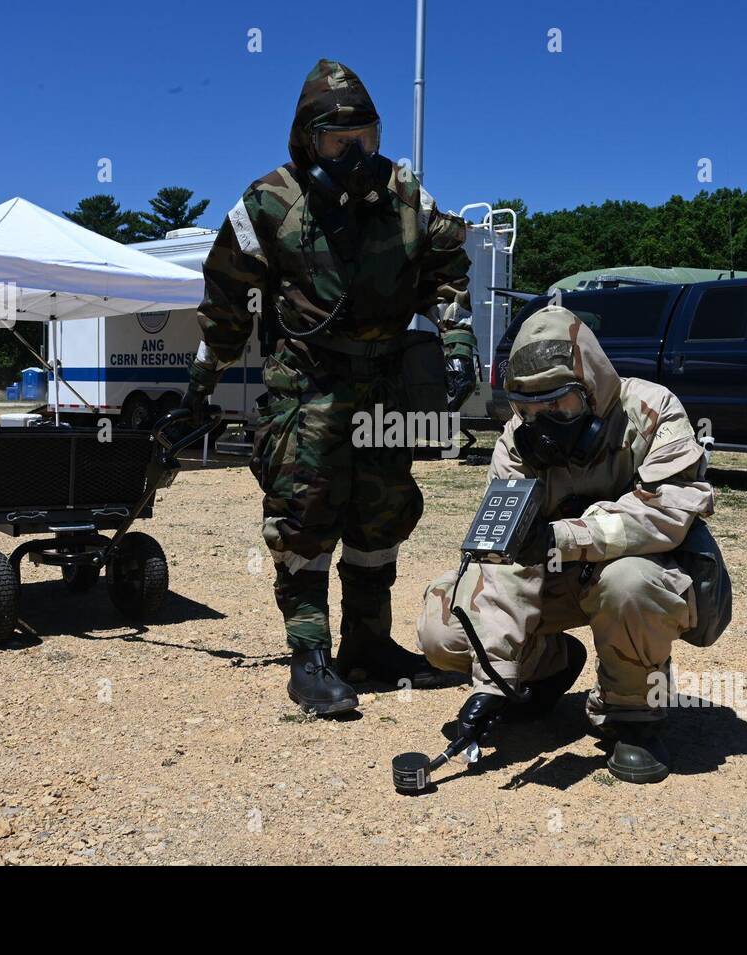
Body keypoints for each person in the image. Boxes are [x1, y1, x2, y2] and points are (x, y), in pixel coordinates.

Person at [179, 59, 478, 716]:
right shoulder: (268, 203)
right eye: (339, 143)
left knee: (383, 511)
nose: (357, 156)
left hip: (383, 387)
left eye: (366, 139)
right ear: (307, 141)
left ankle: (369, 644)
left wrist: (458, 347)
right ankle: (309, 658)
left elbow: (447, 267)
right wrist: (200, 385)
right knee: (304, 517)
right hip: (306, 388)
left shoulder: (406, 199)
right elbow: (226, 302)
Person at [416, 304, 726, 783]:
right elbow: (504, 554)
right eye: (526, 408)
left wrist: (562, 536)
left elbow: (665, 514)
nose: (540, 421)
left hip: (639, 576)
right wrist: (494, 679)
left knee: (629, 582)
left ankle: (633, 715)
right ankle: (543, 672)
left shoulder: (651, 410)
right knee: (446, 625)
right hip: (560, 577)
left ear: (593, 393)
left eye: (558, 404)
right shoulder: (517, 443)